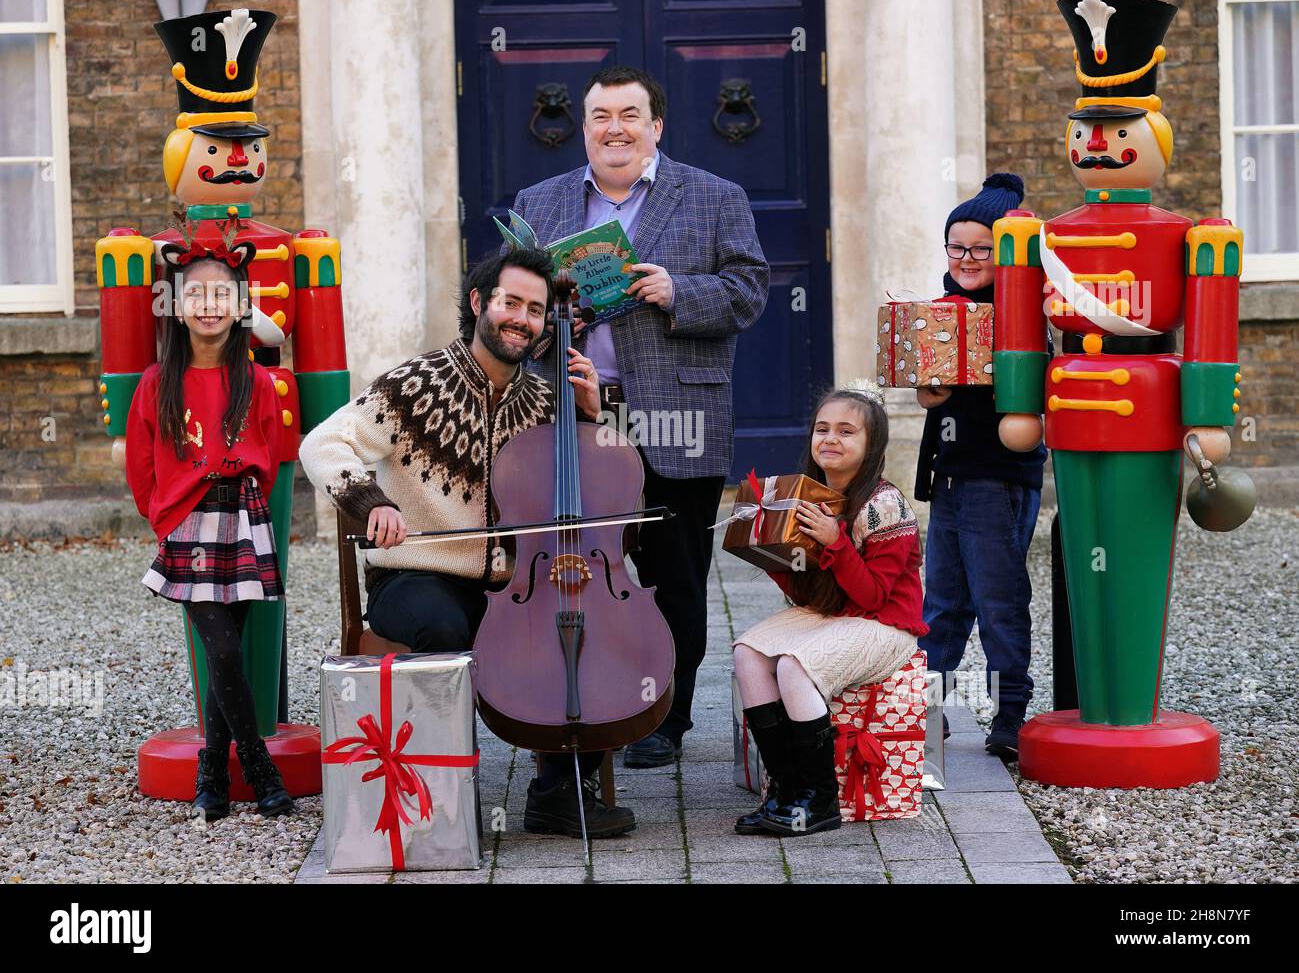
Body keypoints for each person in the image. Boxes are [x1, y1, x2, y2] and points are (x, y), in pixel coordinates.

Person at [298, 248, 636, 838]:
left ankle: (558, 792)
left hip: (513, 586)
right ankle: (441, 795)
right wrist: (370, 503)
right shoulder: (414, 383)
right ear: (479, 303)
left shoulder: (544, 401)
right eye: (511, 302)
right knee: (443, 626)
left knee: (573, 622)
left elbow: (607, 486)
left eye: (535, 310)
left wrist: (593, 416)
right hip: (415, 575)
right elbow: (322, 444)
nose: (522, 319)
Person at [509, 65, 770, 768]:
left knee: (671, 572)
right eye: (601, 116)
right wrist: (550, 317)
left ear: (656, 126)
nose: (614, 128)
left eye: (630, 114)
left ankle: (666, 716)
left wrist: (675, 289)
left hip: (675, 413)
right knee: (578, 567)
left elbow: (748, 293)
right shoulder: (541, 202)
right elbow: (509, 309)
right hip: (573, 412)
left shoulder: (716, 197)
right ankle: (585, 701)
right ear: (585, 127)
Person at [125, 237, 292, 822]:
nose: (210, 304)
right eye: (196, 293)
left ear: (241, 302)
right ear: (173, 304)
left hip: (242, 519)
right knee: (220, 646)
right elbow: (141, 465)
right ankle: (259, 766)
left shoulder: (256, 381)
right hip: (187, 523)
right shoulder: (156, 382)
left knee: (229, 653)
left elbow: (268, 453)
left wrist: (249, 511)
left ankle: (213, 775)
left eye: (222, 292)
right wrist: (164, 518)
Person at [731, 385, 927, 836]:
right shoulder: (807, 496)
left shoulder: (884, 505)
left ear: (870, 445)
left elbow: (874, 596)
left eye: (846, 431)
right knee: (748, 653)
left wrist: (833, 540)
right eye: (822, 429)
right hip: (835, 614)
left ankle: (818, 802)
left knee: (795, 667)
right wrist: (770, 549)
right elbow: (809, 595)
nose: (830, 439)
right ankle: (784, 790)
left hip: (886, 625)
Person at [914, 172, 1047, 760]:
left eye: (980, 249)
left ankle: (1011, 715)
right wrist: (930, 383)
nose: (965, 258)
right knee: (940, 605)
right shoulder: (943, 311)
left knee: (997, 602)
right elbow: (932, 396)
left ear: (1007, 253)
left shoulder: (1025, 311)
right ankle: (922, 715)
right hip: (952, 474)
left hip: (999, 476)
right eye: (956, 246)